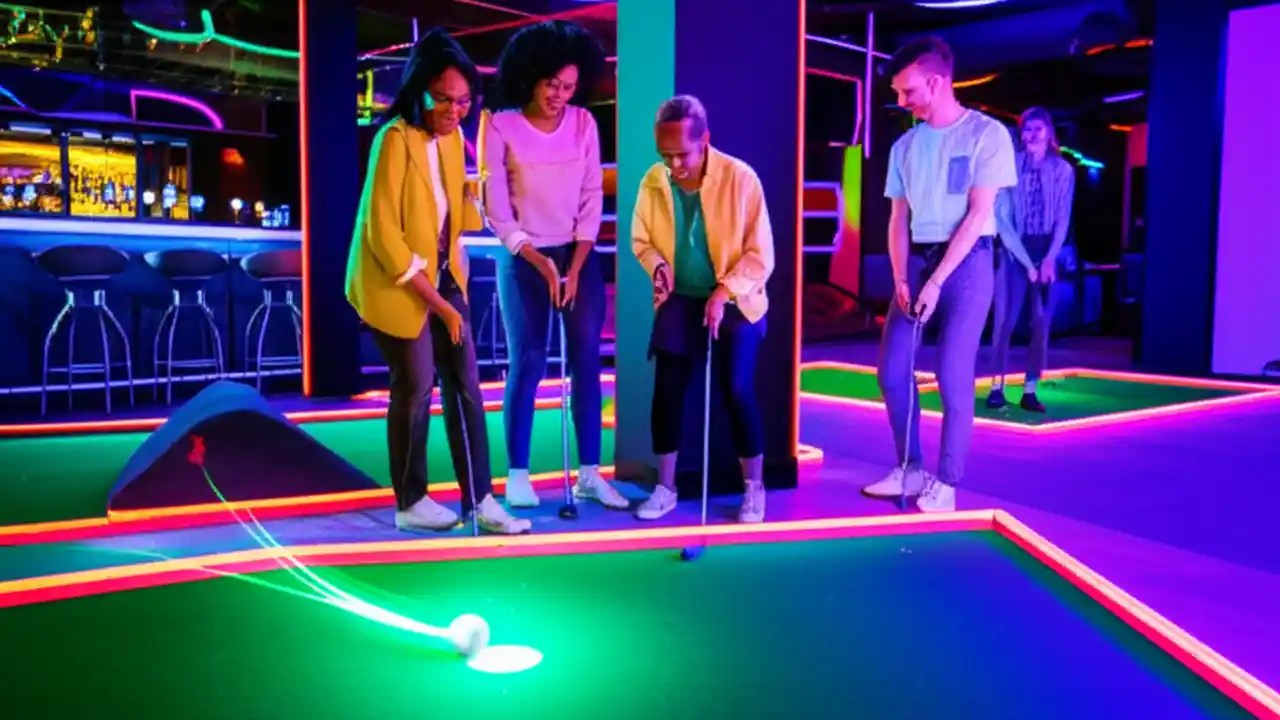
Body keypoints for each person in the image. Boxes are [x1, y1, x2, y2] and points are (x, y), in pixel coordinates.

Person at [345, 29, 531, 535]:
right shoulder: (393, 140)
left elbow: (453, 217)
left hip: (445, 274)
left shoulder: (453, 141)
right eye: (445, 98)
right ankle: (411, 499)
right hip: (394, 281)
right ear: (419, 92)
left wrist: (486, 198)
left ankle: (481, 499)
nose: (456, 110)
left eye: (465, 101)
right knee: (416, 383)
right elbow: (383, 235)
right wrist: (442, 305)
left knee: (466, 384)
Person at [860, 37, 1018, 513]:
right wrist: (902, 279)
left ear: (936, 82)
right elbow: (896, 219)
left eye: (908, 91)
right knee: (891, 373)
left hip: (968, 264)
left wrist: (934, 282)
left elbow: (978, 215)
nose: (901, 101)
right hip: (917, 260)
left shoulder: (986, 135)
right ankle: (909, 467)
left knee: (952, 376)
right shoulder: (905, 146)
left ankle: (945, 482)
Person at [483, 20, 627, 511]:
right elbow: (497, 209)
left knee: (587, 359)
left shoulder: (584, 124)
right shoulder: (499, 124)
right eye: (551, 84)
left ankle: (589, 473)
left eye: (568, 87)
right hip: (524, 255)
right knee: (529, 360)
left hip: (578, 254)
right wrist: (539, 261)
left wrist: (578, 260)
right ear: (531, 76)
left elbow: (591, 198)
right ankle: (518, 475)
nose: (560, 95)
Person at [631, 95, 773, 524]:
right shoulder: (654, 182)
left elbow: (759, 254)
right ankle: (666, 487)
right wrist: (657, 267)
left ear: (705, 140)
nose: (673, 165)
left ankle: (754, 487)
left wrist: (723, 292)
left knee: (737, 389)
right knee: (667, 390)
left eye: (682, 154)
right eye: (664, 155)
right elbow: (642, 241)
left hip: (737, 298)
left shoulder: (741, 178)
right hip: (680, 296)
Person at [988, 107, 1076, 412]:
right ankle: (996, 386)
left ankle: (1029, 389)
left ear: (1049, 132)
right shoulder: (1009, 168)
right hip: (1015, 249)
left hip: (1047, 249)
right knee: (1005, 320)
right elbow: (1001, 218)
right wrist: (1026, 263)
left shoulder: (1063, 170)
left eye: (1039, 128)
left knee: (1040, 323)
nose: (1033, 135)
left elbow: (1063, 216)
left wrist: (1050, 258)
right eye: (1027, 129)